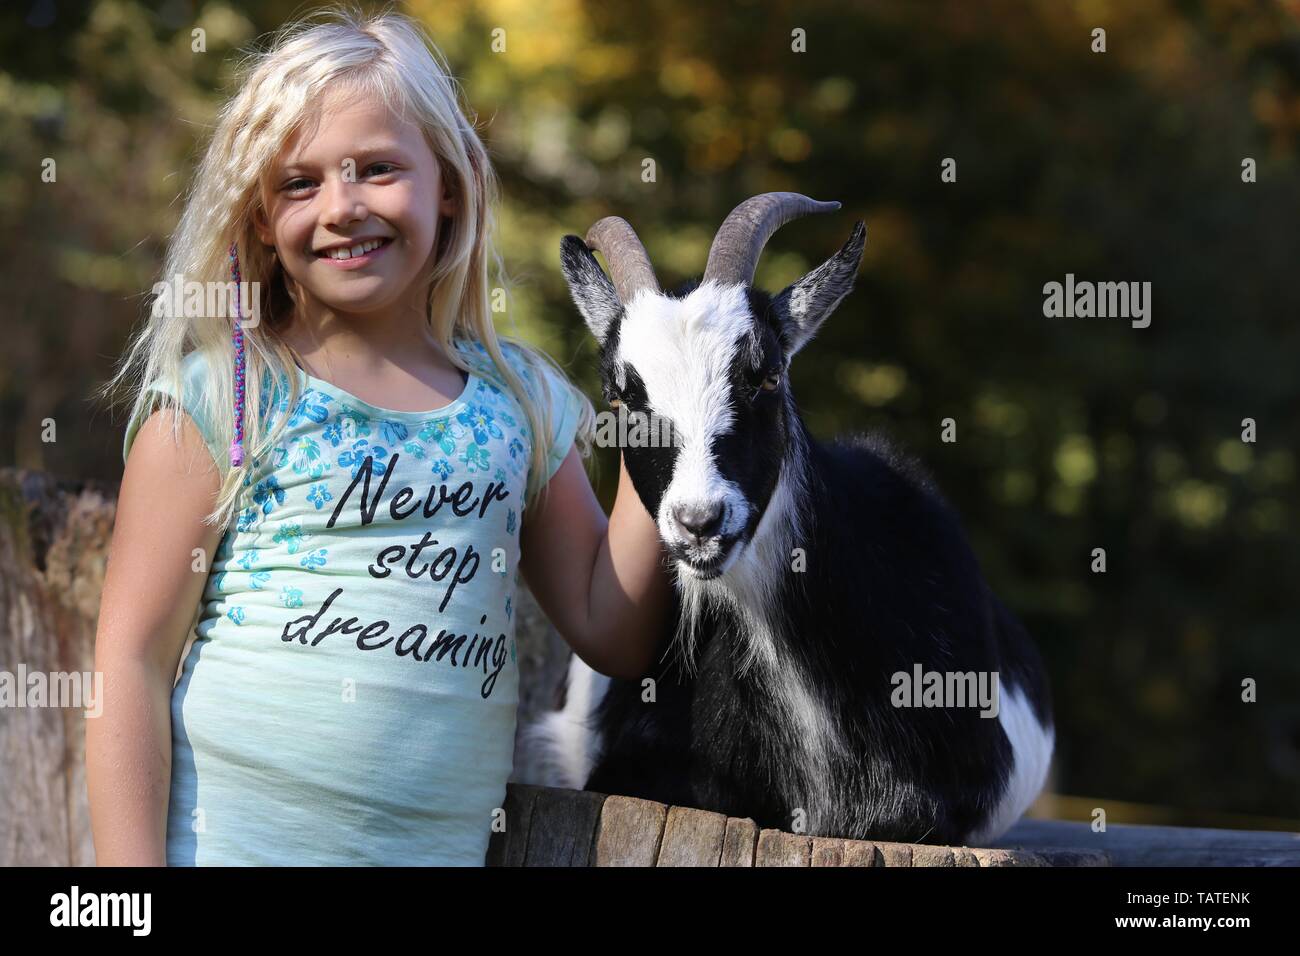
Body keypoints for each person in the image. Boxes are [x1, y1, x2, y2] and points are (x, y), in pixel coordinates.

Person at [85, 8, 672, 866]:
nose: (341, 208)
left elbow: (610, 629)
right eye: (298, 183)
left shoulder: (518, 403)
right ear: (256, 217)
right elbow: (130, 662)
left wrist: (659, 419)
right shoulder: (229, 395)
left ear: (452, 184)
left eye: (378, 170)